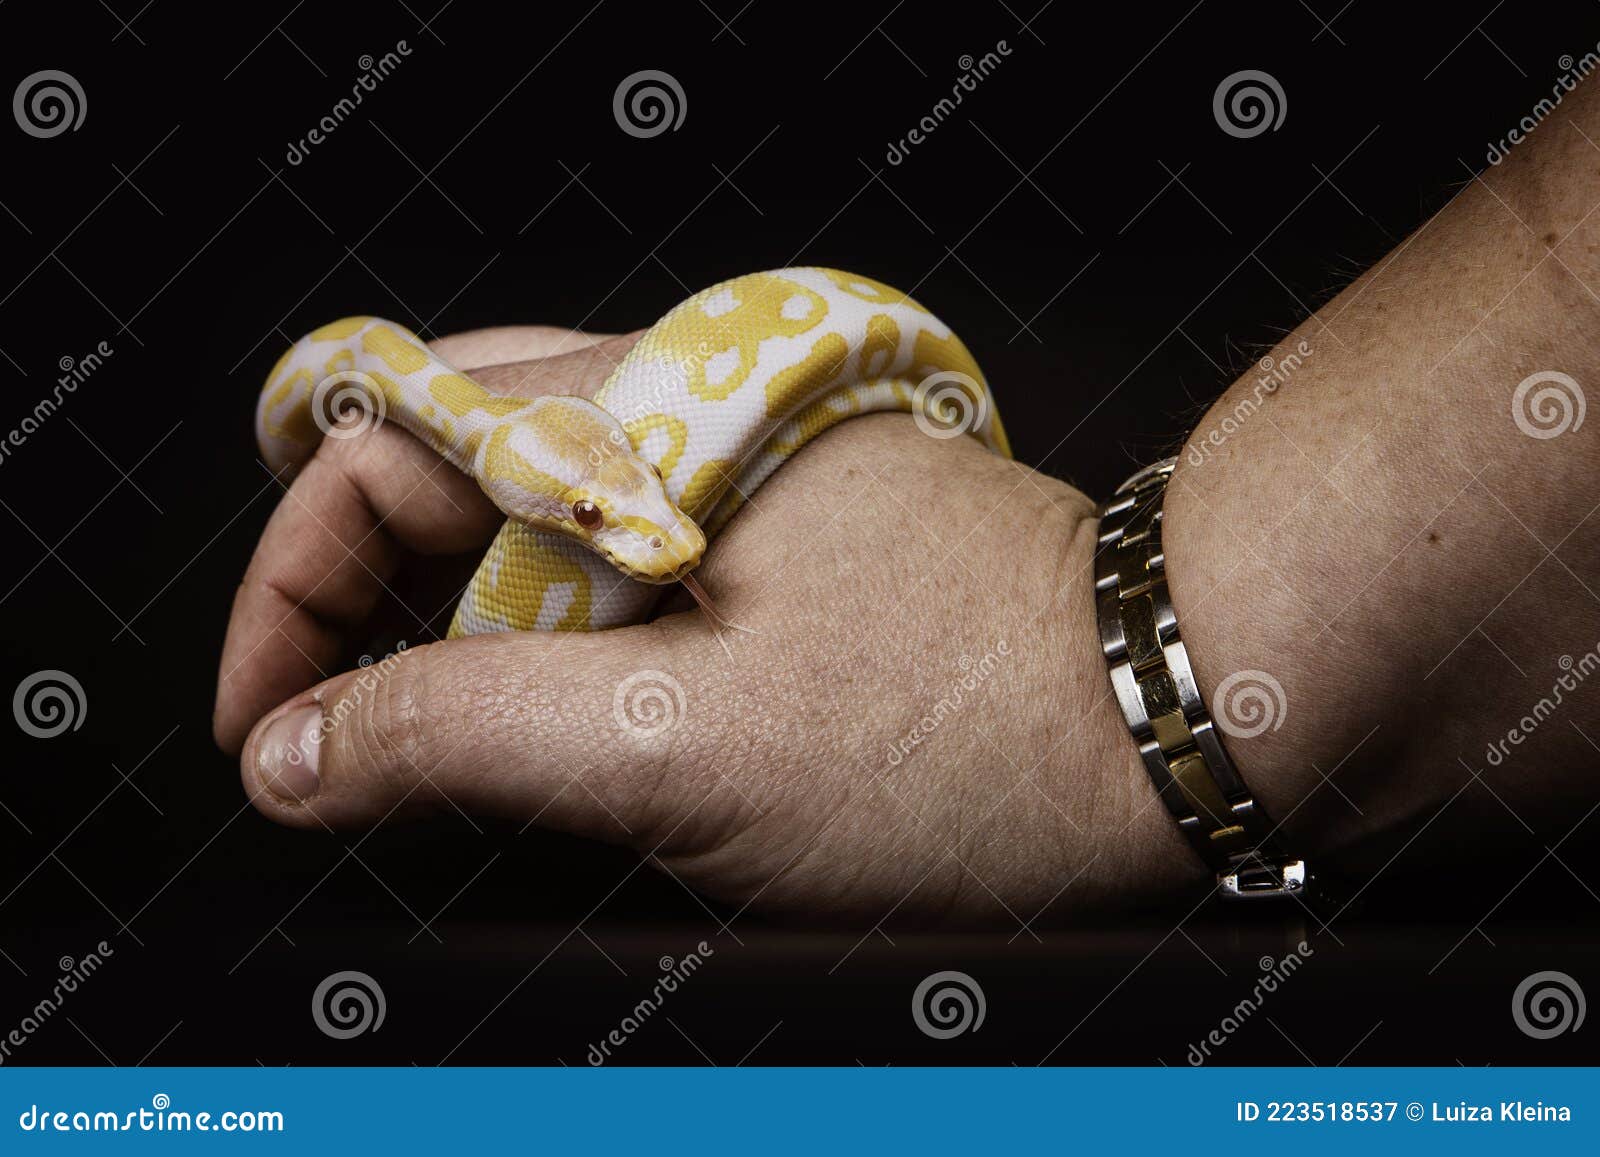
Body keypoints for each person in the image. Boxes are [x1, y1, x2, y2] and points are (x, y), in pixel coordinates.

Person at [215, 77, 1600, 924]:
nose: (656, 528)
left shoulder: (520, 443)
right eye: (590, 521)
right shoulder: (481, 436)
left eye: (627, 483)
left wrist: (1076, 665)